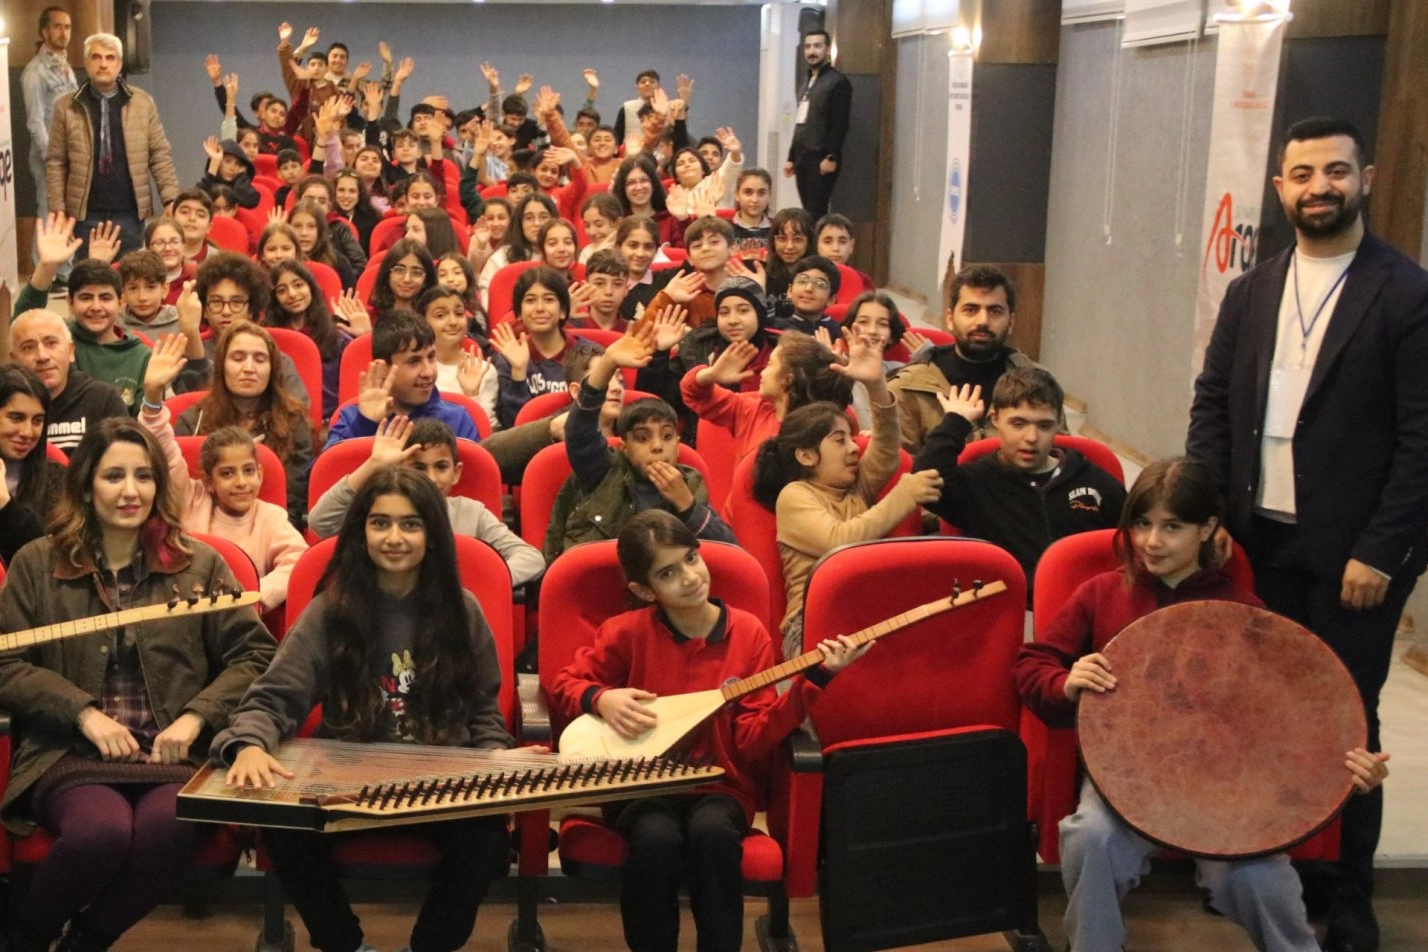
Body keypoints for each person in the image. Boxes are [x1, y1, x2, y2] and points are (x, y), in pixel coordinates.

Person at [1186, 117, 1428, 952]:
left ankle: (1351, 893)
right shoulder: (1254, 290)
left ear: (1367, 176)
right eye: (1301, 173)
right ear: (1280, 186)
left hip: (1355, 553)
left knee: (1347, 719)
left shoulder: (1406, 292)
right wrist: (1209, 520)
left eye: (1335, 170)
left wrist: (1382, 553)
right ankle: (1265, 868)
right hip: (1260, 539)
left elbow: (1422, 440)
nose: (1318, 186)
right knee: (1260, 711)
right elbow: (1213, 405)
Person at [1013, 457, 1390, 952]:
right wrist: (1065, 681)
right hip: (1124, 782)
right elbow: (1031, 664)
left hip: (1226, 791)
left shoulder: (1244, 612)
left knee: (1260, 881)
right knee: (1092, 839)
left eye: (1172, 526)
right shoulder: (1101, 593)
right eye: (1143, 524)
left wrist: (1346, 766)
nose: (1152, 540)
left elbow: (1295, 715)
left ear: (1208, 528)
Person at [0, 417, 275, 952]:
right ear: (85, 485)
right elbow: (6, 663)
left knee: (168, 829)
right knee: (100, 835)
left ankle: (86, 941)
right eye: (114, 476)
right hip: (70, 753)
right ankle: (25, 942)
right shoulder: (37, 563)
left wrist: (197, 716)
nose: (131, 491)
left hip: (174, 756)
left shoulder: (200, 565)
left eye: (144, 476)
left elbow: (257, 654)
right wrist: (82, 712)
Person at [213, 467, 514, 952]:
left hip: (442, 786)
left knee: (487, 840)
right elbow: (274, 697)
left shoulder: (463, 610)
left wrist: (497, 761)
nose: (395, 538)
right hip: (347, 783)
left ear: (433, 536)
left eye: (411, 524)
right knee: (283, 827)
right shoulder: (330, 611)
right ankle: (345, 945)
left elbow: (483, 711)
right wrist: (247, 743)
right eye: (380, 523)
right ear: (361, 532)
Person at [549, 509, 865, 951]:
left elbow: (750, 739)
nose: (690, 577)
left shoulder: (749, 634)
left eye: (692, 558)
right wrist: (601, 698)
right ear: (644, 590)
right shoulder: (626, 633)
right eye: (668, 572)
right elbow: (565, 682)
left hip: (721, 786)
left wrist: (811, 685)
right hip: (643, 784)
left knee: (713, 835)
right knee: (655, 840)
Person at [753, 332, 942, 658]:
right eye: (840, 441)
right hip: (812, 620)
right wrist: (903, 496)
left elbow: (885, 448)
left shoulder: (855, 486)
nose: (855, 448)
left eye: (851, 438)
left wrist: (875, 385)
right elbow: (839, 542)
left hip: (868, 611)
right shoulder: (795, 496)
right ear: (807, 455)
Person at [915, 367, 1125, 599]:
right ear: (995, 420)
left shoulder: (1091, 479)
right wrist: (955, 422)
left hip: (1084, 604)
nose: (1031, 438)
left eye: (1044, 426)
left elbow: (1132, 541)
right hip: (1008, 606)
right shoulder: (974, 481)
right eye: (1018, 423)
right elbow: (923, 482)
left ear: (1058, 424)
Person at [547, 322, 735, 561]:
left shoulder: (690, 483)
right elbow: (579, 433)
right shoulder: (604, 470)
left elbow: (731, 555)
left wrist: (687, 505)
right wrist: (607, 364)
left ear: (678, 444)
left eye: (667, 437)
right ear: (624, 447)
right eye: (643, 438)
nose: (657, 446)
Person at [139, 360, 308, 614]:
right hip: (181, 612)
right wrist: (152, 398)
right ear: (208, 481)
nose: (241, 482)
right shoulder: (190, 497)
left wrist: (254, 594)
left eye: (249, 471)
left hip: (239, 619)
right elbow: (163, 449)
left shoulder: (270, 518)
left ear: (260, 474)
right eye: (227, 473)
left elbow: (298, 563)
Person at [310, 416, 544, 587]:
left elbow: (530, 559)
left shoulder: (472, 513)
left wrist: (474, 583)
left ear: (456, 472)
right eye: (419, 467)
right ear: (401, 468)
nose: (431, 478)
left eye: (441, 467)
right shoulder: (381, 511)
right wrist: (373, 465)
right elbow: (320, 522)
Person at [159, 324, 315, 529]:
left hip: (270, 531)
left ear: (273, 369)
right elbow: (180, 496)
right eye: (238, 358)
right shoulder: (194, 420)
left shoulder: (294, 421)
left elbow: (293, 502)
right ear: (222, 365)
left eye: (259, 359)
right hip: (201, 531)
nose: (249, 368)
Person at [889, 265, 1050, 454]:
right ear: (950, 318)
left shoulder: (1039, 383)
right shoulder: (906, 388)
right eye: (970, 309)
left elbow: (1060, 455)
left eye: (995, 311)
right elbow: (900, 472)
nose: (982, 321)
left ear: (1011, 321)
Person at [46, 32, 179, 257]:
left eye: (110, 58)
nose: (103, 64)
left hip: (129, 212)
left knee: (130, 280)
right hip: (84, 214)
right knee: (88, 280)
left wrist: (171, 198)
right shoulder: (66, 106)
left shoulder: (142, 103)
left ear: (119, 64)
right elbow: (56, 161)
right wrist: (57, 207)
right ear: (87, 63)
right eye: (96, 57)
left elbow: (159, 155)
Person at [681, 330, 852, 471]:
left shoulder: (827, 428)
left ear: (787, 379)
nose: (762, 372)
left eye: (770, 364)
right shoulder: (751, 409)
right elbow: (692, 393)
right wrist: (710, 375)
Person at [327, 310, 482, 448]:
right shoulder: (352, 419)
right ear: (383, 369)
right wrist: (366, 424)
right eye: (413, 361)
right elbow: (324, 476)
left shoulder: (458, 418)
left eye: (431, 357)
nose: (428, 371)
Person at [639, 279, 772, 438]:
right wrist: (660, 353)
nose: (732, 320)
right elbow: (658, 404)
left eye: (743, 311)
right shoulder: (697, 347)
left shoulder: (781, 353)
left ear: (760, 313)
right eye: (724, 312)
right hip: (700, 443)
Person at [9, 309, 130, 456]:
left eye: (51, 343)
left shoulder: (103, 400)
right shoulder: (4, 404)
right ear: (14, 360)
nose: (42, 356)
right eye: (28, 347)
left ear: (70, 351)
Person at [489, 266, 583, 429]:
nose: (540, 308)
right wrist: (518, 372)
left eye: (549, 299)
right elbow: (512, 426)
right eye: (530, 300)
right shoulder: (507, 359)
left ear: (563, 311)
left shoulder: (586, 353)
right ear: (518, 313)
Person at [21, 6, 78, 270]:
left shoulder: (65, 66)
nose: (63, 32)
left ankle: (64, 270)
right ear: (44, 31)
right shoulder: (35, 72)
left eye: (67, 27)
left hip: (69, 153)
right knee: (48, 212)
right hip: (47, 156)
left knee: (64, 214)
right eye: (57, 26)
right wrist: (52, 158)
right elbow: (35, 122)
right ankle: (44, 271)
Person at [266, 259, 354, 422]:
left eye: (298, 285)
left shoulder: (338, 338)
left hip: (330, 422)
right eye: (282, 290)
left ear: (311, 287)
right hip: (281, 421)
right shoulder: (268, 339)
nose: (292, 294)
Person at [0, 364, 66, 565]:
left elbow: (48, 564)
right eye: (16, 418)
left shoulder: (57, 481)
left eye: (37, 421)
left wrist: (5, 505)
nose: (28, 432)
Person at [783, 29, 851, 220]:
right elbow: (800, 122)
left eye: (817, 46)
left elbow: (840, 124)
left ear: (827, 49)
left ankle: (817, 250)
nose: (812, 51)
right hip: (802, 158)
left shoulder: (837, 82)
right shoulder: (806, 82)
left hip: (821, 158)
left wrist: (831, 156)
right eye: (808, 46)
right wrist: (791, 156)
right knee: (806, 212)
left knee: (816, 213)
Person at [370, 240, 439, 322]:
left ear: (426, 280)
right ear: (387, 274)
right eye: (399, 270)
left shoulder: (435, 317)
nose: (407, 279)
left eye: (416, 273)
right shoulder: (371, 316)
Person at [774, 255, 842, 337]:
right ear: (790, 290)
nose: (808, 288)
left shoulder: (839, 333)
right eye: (802, 281)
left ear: (831, 299)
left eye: (819, 284)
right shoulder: (776, 329)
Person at [569, 250, 630, 332]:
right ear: (585, 287)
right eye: (600, 283)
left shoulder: (635, 331)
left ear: (626, 289)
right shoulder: (569, 327)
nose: (608, 292)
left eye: (617, 284)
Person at [816, 212, 873, 291]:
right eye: (827, 242)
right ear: (817, 245)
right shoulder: (807, 280)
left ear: (851, 245)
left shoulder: (863, 281)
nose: (835, 248)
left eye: (842, 242)